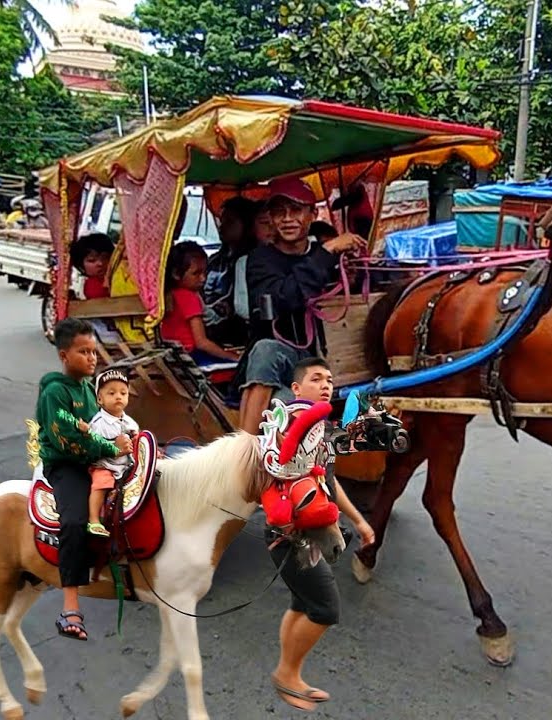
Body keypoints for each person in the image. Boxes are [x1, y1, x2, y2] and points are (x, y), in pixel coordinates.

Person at [267, 357, 374, 711]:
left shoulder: (319, 432)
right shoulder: (290, 425)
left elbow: (328, 483)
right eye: (316, 378)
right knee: (326, 608)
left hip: (308, 531)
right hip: (292, 536)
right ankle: (287, 674)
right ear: (296, 388)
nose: (326, 384)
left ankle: (289, 670)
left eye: (329, 379)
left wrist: (358, 520)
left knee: (302, 603)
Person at [235, 178, 365, 434]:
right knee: (267, 354)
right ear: (271, 218)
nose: (287, 218)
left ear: (312, 214)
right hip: (282, 367)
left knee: (289, 405)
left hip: (327, 362)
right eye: (279, 212)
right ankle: (243, 452)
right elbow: (285, 297)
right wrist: (327, 252)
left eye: (295, 210)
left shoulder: (327, 255)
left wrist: (351, 274)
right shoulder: (261, 259)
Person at [34, 318, 132, 641]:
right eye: (84, 351)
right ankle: (70, 606)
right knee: (75, 522)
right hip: (68, 466)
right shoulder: (55, 394)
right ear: (64, 356)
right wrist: (111, 447)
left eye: (94, 351)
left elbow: (104, 423)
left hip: (98, 460)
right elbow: (70, 442)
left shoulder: (90, 389)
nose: (92, 358)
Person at [159, 241, 241, 364]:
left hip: (174, 357)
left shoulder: (167, 295)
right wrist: (232, 357)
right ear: (176, 274)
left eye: (205, 272)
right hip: (192, 357)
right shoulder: (190, 297)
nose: (203, 278)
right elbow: (201, 342)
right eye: (196, 273)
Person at [85, 368, 139, 537]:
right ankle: (93, 519)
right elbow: (93, 445)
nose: (118, 397)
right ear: (100, 399)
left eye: (123, 393)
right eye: (112, 393)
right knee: (102, 484)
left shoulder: (129, 422)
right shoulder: (98, 423)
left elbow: (137, 439)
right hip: (106, 465)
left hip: (125, 465)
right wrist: (112, 447)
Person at [203, 197, 259, 346]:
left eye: (230, 222)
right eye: (222, 221)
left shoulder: (252, 261)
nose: (222, 227)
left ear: (248, 226)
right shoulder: (214, 260)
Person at [70, 233, 115, 300]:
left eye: (105, 258)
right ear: (81, 266)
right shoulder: (92, 285)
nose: (100, 263)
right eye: (92, 260)